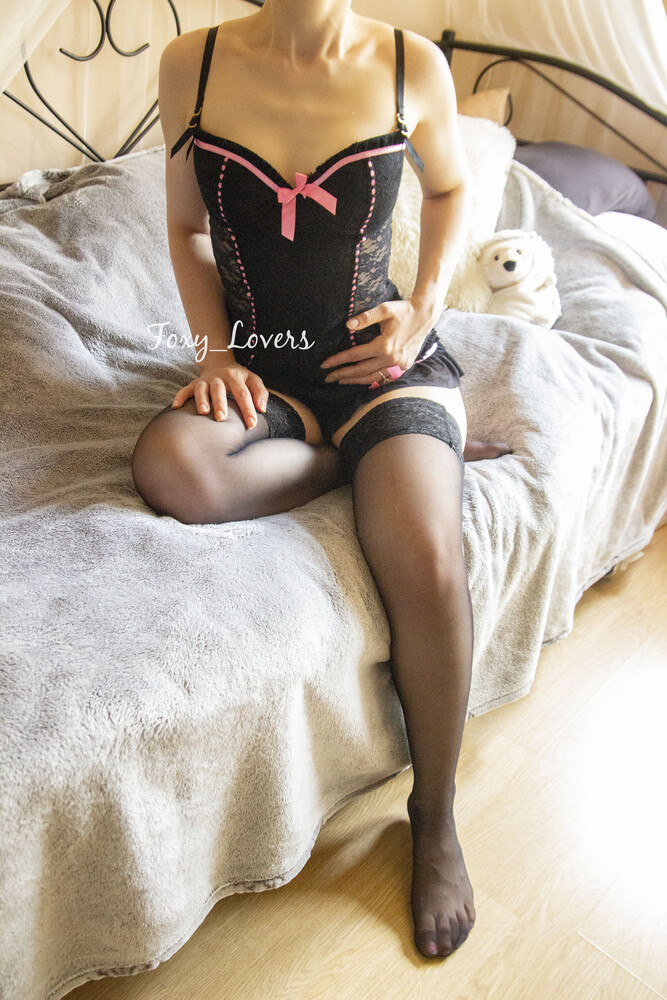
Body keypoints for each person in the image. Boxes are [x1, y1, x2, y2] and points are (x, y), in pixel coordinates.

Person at [132, 0, 509, 959]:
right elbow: (186, 229)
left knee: (426, 560)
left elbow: (450, 188)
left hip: (383, 365)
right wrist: (216, 356)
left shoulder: (410, 64)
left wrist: (422, 309)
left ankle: (433, 816)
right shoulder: (192, 63)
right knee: (172, 466)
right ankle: (357, 461)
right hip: (265, 368)